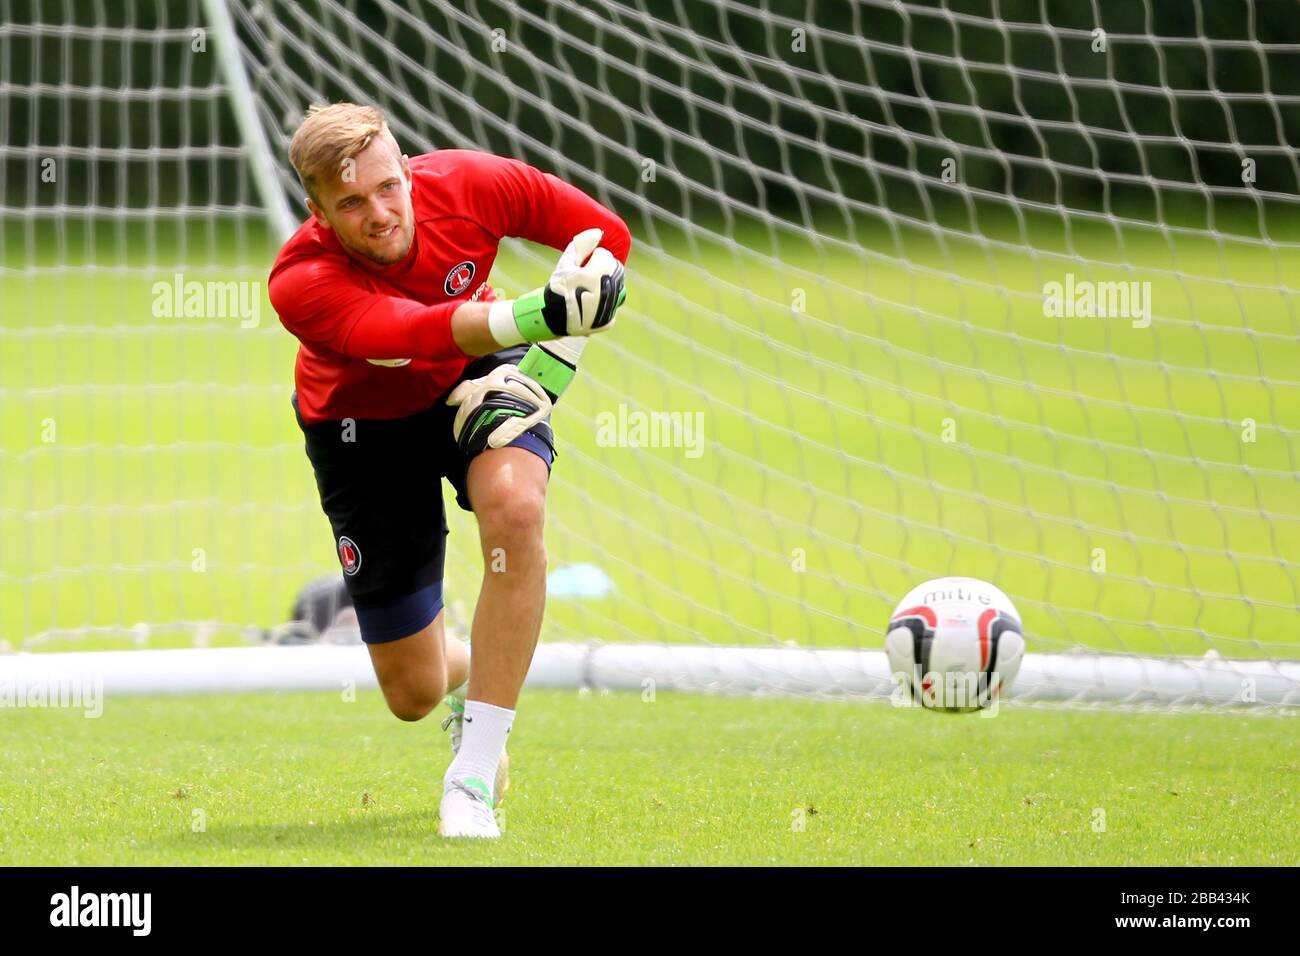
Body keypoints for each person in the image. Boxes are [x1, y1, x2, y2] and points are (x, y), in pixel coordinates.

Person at [268, 102, 630, 837]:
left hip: (477, 372)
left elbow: (607, 241)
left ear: (407, 167)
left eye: (387, 187)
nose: (379, 213)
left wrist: (548, 369)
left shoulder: (471, 184)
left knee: (517, 510)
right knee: (413, 691)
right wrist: (539, 317)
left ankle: (472, 778)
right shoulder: (299, 281)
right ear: (317, 212)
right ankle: (465, 672)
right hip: (361, 431)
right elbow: (415, 330)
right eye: (351, 204)